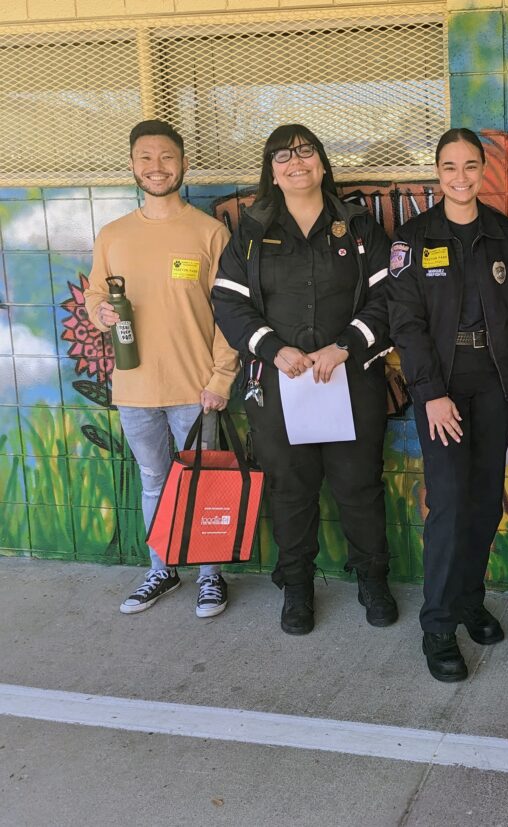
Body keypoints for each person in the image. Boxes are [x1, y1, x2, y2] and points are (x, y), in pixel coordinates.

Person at [212, 124, 397, 635]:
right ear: (270, 169)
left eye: (306, 151)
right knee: (290, 491)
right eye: (283, 156)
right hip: (277, 387)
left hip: (352, 380)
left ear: (322, 162)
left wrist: (345, 346)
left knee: (359, 488)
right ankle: (296, 587)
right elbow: (227, 303)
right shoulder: (249, 233)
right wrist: (275, 349)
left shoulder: (360, 227)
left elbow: (390, 300)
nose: (296, 162)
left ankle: (373, 579)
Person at [387, 128, 508, 682]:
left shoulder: (505, 235)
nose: (460, 177)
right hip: (442, 386)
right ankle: (438, 626)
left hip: (495, 385)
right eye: (449, 167)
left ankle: (471, 601)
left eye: (470, 166)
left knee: (484, 503)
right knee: (449, 505)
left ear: (482, 170)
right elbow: (406, 322)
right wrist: (430, 394)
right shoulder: (412, 238)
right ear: (438, 173)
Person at [85, 119, 237, 618]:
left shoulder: (210, 232)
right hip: (134, 388)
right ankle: (162, 568)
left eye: (166, 157)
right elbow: (95, 297)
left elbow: (231, 314)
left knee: (204, 481)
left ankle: (211, 578)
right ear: (132, 166)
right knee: (154, 479)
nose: (157, 167)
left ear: (184, 164)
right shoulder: (113, 235)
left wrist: (220, 378)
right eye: (146, 158)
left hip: (196, 389)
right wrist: (100, 313)